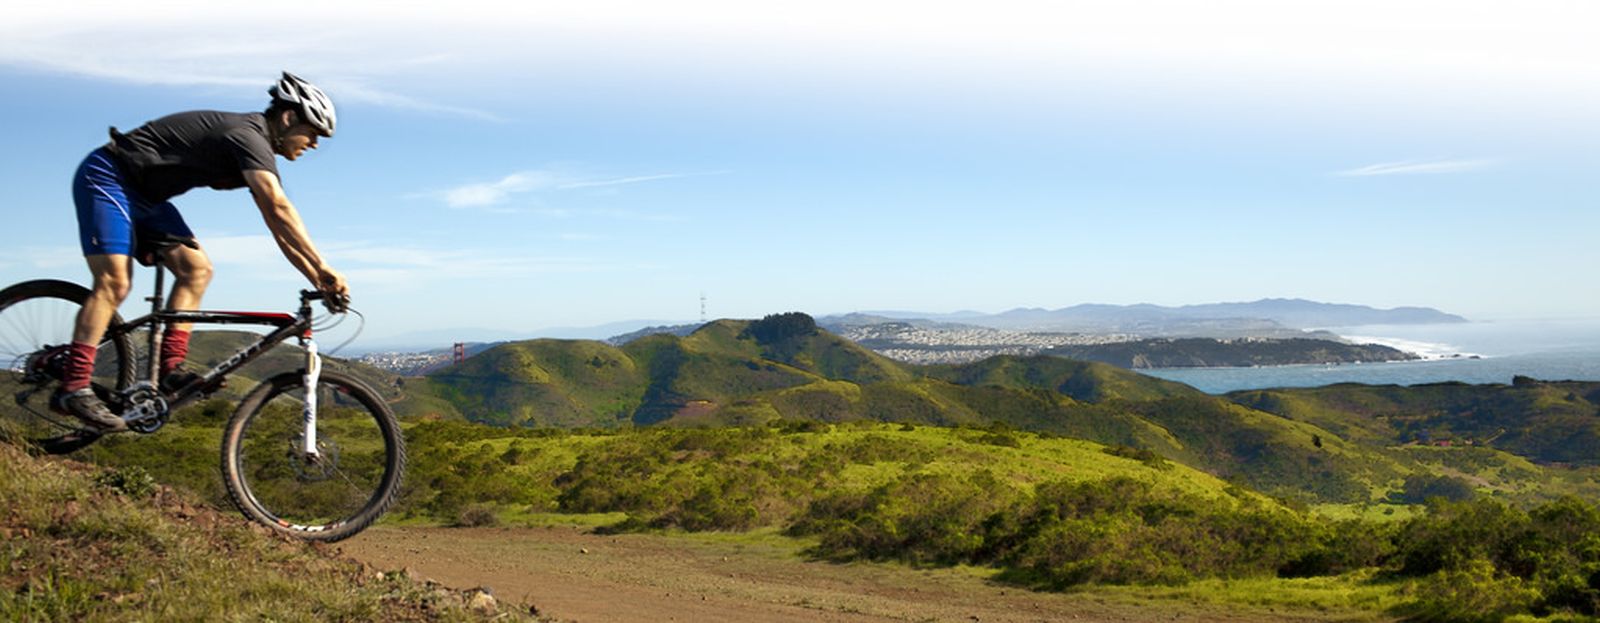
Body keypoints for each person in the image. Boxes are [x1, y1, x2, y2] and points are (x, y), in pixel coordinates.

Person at [57, 71, 349, 433]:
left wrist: (318, 276)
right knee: (115, 283)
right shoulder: (248, 136)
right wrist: (322, 266)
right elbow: (278, 208)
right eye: (314, 132)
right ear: (289, 117)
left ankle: (169, 370)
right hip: (109, 176)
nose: (315, 144)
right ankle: (74, 385)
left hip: (147, 197)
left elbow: (277, 226)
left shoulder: (256, 147)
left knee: (197, 270)